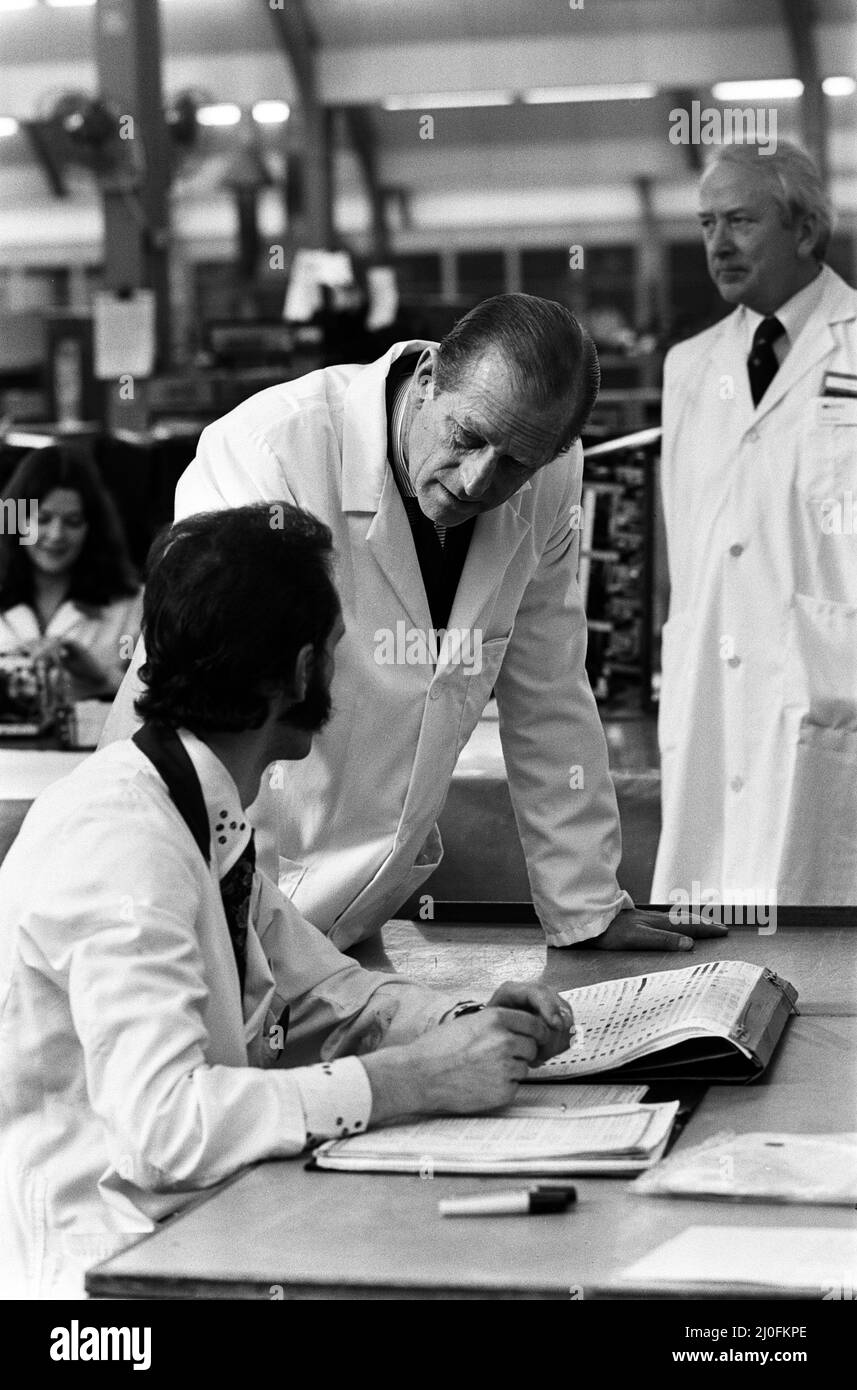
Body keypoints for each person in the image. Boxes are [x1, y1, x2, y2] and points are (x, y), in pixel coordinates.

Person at [0, 502, 572, 1299]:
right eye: (336, 653)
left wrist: (466, 1024)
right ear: (303, 673)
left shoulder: (191, 807)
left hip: (194, 1233)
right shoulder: (124, 846)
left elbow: (325, 993)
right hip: (99, 1280)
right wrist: (410, 1080)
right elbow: (167, 1127)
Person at [103, 293, 724, 953]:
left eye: (516, 462)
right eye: (467, 438)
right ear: (428, 380)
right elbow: (213, 718)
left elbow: (548, 691)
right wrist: (228, 935)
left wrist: (588, 907)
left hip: (359, 902)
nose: (481, 478)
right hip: (204, 885)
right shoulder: (272, 450)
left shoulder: (548, 473)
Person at [653, 141, 857, 907]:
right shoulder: (688, 367)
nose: (717, 243)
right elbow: (688, 539)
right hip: (710, 682)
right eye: (706, 222)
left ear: (805, 230)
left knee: (827, 949)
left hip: (829, 684)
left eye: (740, 220)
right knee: (712, 927)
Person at [0, 445, 142, 701]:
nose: (56, 535)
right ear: (15, 520)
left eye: (73, 521)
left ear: (92, 528)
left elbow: (148, 697)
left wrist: (99, 678)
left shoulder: (129, 605)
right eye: (42, 519)